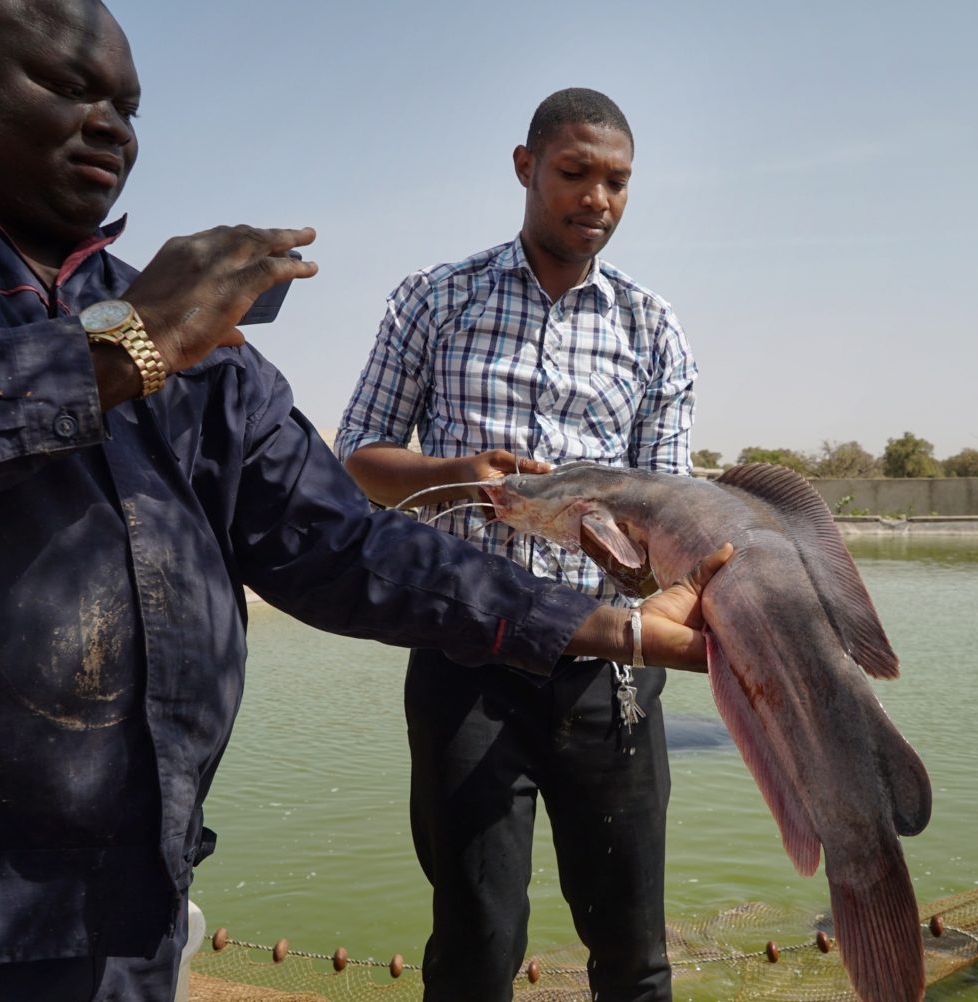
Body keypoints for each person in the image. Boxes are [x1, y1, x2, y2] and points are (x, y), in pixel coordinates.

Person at [0, 5, 724, 1000]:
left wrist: (613, 625)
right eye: (67, 88)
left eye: (129, 107)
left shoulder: (176, 328)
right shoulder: (142, 315)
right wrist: (125, 346)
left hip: (115, 922)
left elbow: (340, 543)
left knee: (632, 949)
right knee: (477, 931)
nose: (110, 127)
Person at [336, 88, 696, 1001]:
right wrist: (458, 473)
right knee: (475, 944)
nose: (597, 200)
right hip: (468, 657)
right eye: (575, 173)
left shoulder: (652, 330)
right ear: (526, 166)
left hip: (608, 670)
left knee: (634, 954)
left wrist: (625, 558)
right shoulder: (435, 299)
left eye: (617, 181)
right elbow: (357, 461)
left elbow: (670, 519)